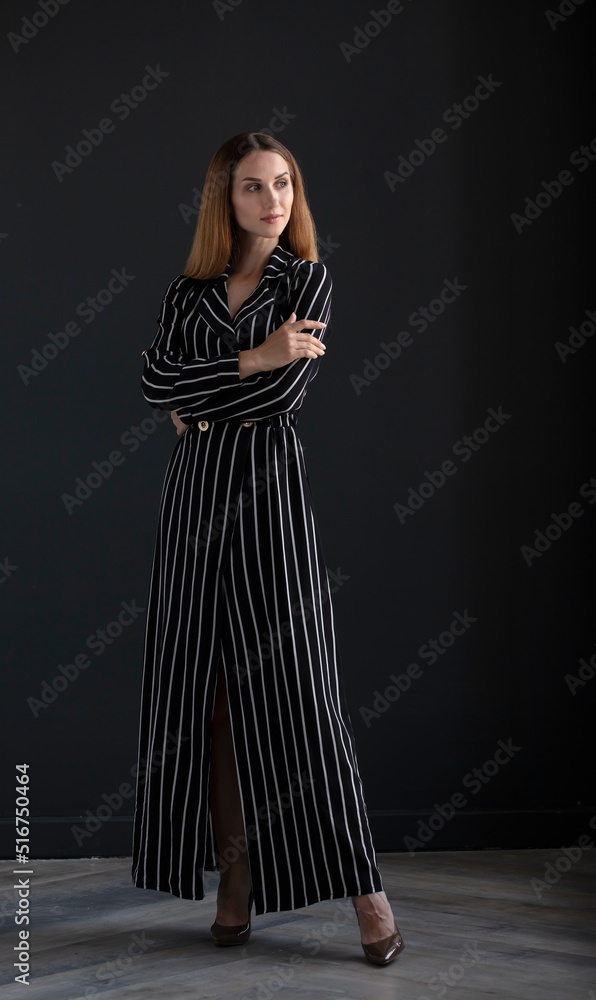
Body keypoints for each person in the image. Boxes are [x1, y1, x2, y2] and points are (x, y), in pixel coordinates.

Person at [131, 131, 405, 966]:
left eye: (283, 183)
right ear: (226, 198)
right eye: (253, 187)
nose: (272, 200)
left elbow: (277, 392)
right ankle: (235, 885)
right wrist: (253, 356)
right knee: (205, 703)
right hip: (191, 510)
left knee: (302, 698)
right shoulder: (189, 290)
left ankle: (369, 898)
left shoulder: (307, 279)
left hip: (269, 507)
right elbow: (152, 385)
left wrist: (214, 388)